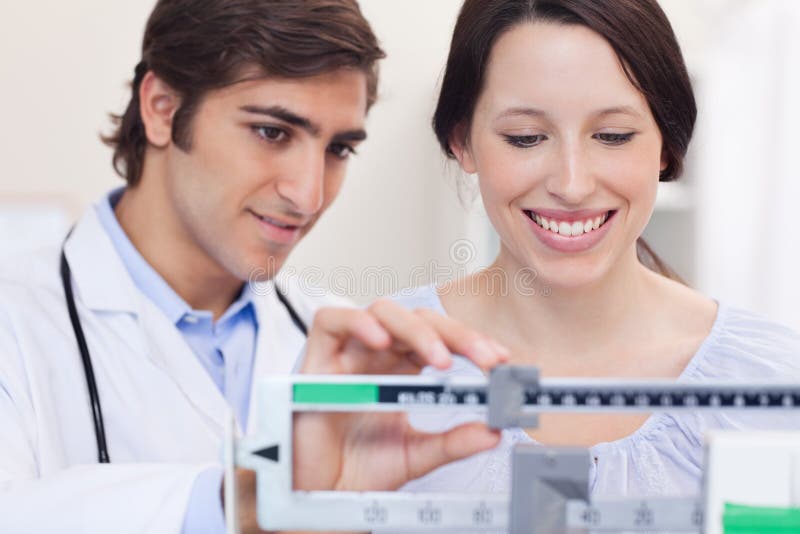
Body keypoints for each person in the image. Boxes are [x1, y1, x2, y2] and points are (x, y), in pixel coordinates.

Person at [0, 1, 510, 533]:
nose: (308, 194)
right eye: (272, 132)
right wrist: (247, 500)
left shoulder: (344, 342)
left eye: (338, 148)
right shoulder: (16, 324)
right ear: (160, 107)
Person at [392, 0, 800, 512]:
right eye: (525, 138)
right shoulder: (377, 371)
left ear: (667, 147)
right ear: (462, 141)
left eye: (612, 136)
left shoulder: (769, 382)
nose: (572, 184)